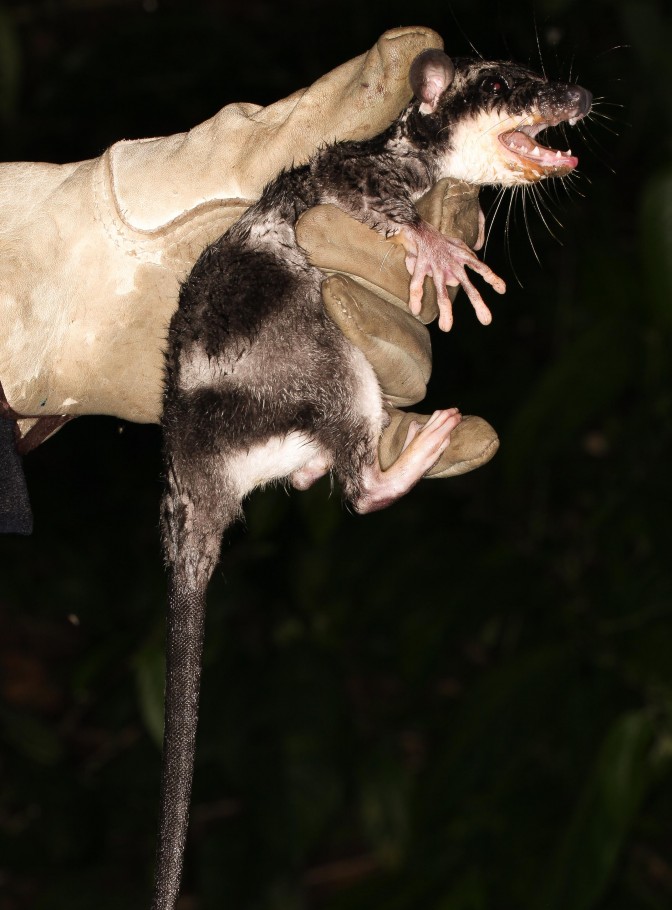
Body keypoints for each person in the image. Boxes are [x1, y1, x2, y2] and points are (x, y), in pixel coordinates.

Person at [0, 26, 498, 533]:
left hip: (237, 395)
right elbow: (344, 178)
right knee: (332, 341)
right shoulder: (388, 156)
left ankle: (309, 446)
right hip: (246, 333)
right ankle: (348, 466)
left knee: (331, 335)